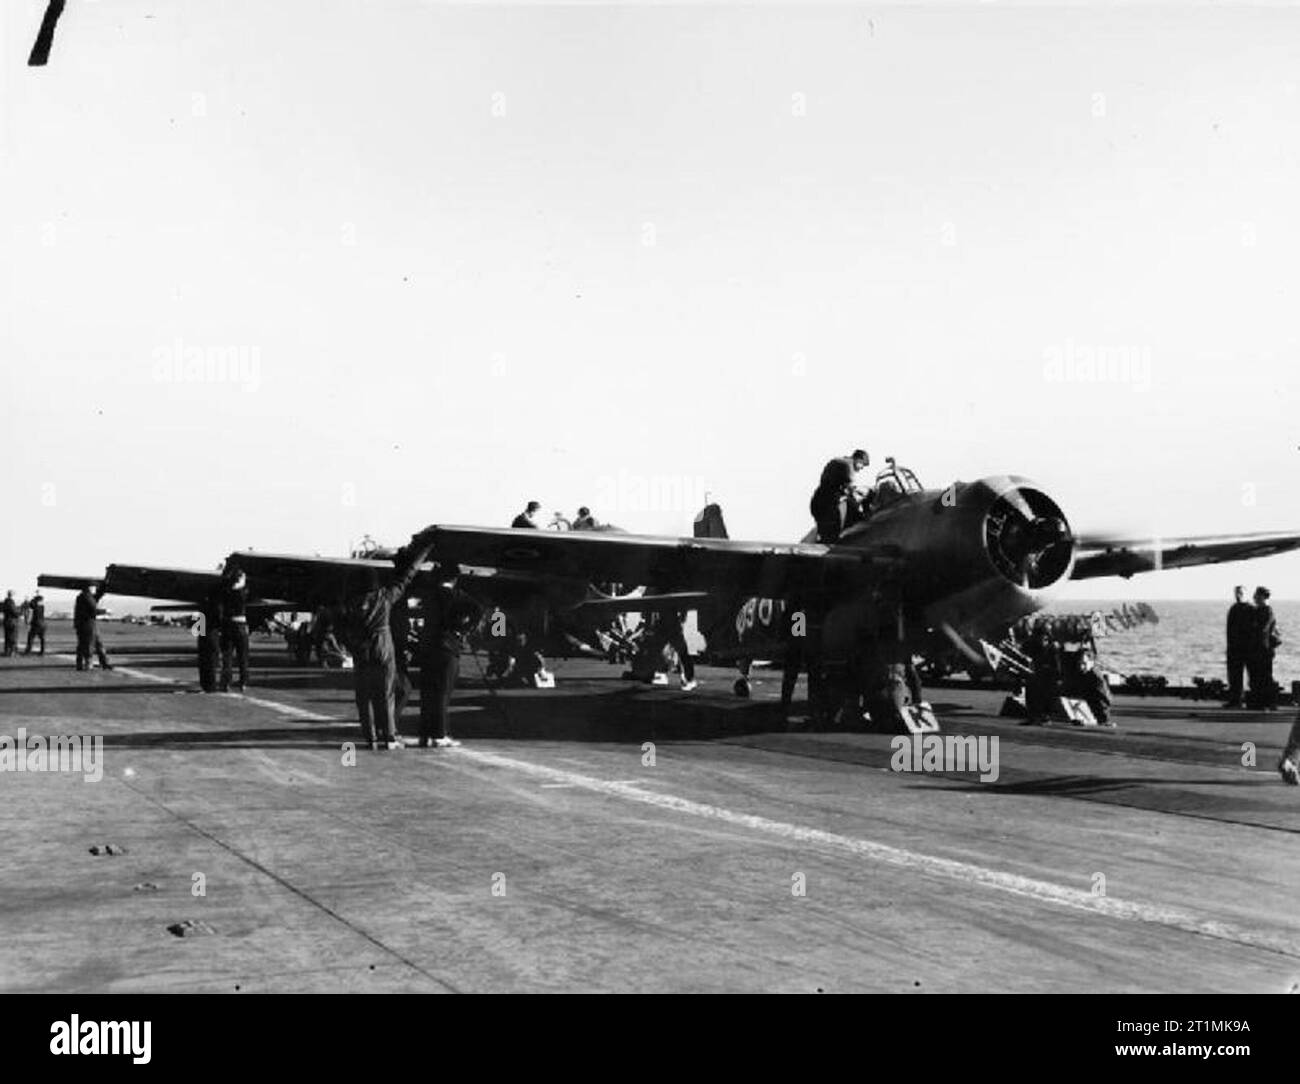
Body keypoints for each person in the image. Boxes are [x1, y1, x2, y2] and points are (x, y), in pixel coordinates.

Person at [341, 529, 437, 750]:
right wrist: (424, 551)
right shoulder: (384, 597)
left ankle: (371, 738)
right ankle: (390, 737)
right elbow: (406, 576)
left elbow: (341, 624)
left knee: (364, 696)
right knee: (386, 693)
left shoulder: (349, 603)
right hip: (383, 644)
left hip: (361, 648)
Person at [414, 569, 484, 748]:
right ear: (454, 578)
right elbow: (477, 610)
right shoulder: (456, 595)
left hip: (428, 647)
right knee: (442, 693)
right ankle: (439, 734)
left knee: (427, 693)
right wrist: (464, 629)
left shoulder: (429, 595)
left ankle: (425, 734)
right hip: (447, 646)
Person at [1246, 586, 1281, 710]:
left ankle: (1268, 702)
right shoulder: (1257, 610)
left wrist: (1252, 627)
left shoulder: (1267, 611)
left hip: (1263, 649)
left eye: (1257, 595)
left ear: (1263, 597)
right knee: (1255, 676)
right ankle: (1258, 702)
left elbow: (1262, 629)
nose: (1255, 598)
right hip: (1255, 649)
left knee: (1265, 677)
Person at [217, 568, 251, 693]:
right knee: (243, 656)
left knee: (227, 656)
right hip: (241, 625)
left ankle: (226, 682)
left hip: (228, 624)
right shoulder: (244, 592)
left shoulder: (226, 591)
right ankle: (243, 682)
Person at [1223, 585, 1255, 708]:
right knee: (1234, 676)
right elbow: (1229, 630)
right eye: (1236, 593)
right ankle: (1236, 700)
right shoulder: (1233, 609)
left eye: (1241, 593)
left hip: (1248, 648)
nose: (1238, 595)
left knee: (1252, 676)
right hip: (1234, 648)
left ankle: (1253, 700)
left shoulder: (1251, 609)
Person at [74, 584, 112, 670]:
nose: (94, 589)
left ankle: (82, 664)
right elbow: (93, 610)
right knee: (91, 644)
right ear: (89, 588)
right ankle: (90, 664)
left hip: (84, 624)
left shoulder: (84, 596)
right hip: (88, 624)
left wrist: (103, 588)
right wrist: (105, 611)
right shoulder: (86, 597)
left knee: (86, 644)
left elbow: (96, 597)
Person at [197, 586, 224, 692]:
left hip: (202, 632)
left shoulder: (203, 605)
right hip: (212, 633)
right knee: (211, 660)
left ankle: (205, 684)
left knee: (204, 660)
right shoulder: (217, 605)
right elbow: (219, 619)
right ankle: (211, 686)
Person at [23, 591, 46, 655]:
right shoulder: (42, 606)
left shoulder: (35, 606)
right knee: (42, 638)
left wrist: (29, 599)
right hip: (42, 623)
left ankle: (28, 651)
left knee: (31, 637)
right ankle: (42, 651)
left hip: (36, 624)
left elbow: (31, 605)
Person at [1, 591, 17, 657]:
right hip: (11, 622)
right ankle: (12, 652)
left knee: (7, 637)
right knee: (12, 637)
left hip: (6, 621)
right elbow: (14, 612)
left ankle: (6, 651)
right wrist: (19, 613)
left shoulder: (5, 602)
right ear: (12, 595)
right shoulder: (11, 602)